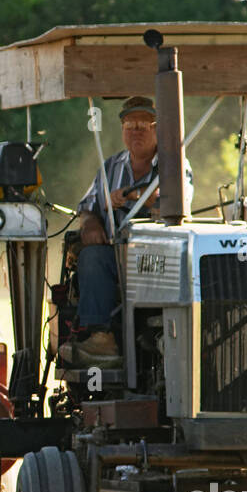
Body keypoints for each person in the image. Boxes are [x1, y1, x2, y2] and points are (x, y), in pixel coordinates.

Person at [59, 96, 194, 367]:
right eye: (130, 124)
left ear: (159, 130)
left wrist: (133, 196)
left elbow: (174, 199)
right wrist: (91, 223)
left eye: (145, 124)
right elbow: (86, 208)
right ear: (122, 130)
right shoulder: (110, 167)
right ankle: (101, 339)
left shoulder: (176, 166)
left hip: (160, 263)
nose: (136, 131)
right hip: (116, 260)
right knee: (93, 256)